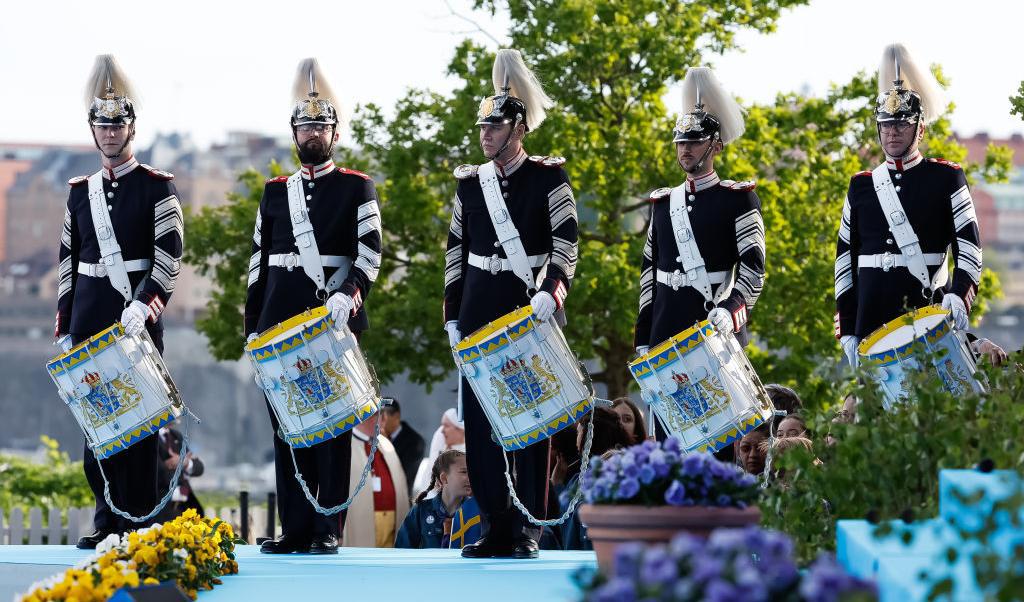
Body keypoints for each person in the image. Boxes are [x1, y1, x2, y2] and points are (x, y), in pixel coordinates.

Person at [443, 49, 579, 559]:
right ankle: (495, 526)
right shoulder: (469, 182)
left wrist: (552, 289)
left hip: (527, 314)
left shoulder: (549, 178)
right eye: (482, 128)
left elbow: (566, 242)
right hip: (478, 310)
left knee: (530, 426)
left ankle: (527, 526)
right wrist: (453, 315)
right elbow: (456, 252)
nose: (485, 136)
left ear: (518, 128)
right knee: (480, 428)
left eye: (495, 128)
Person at [244, 58, 383, 555]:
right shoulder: (275, 191)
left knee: (329, 430)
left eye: (320, 125)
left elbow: (370, 253)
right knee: (287, 430)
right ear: (294, 132)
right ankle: (296, 528)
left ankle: (327, 527)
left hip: (332, 321)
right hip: (279, 322)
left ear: (335, 131)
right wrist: (252, 328)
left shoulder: (356, 186)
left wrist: (349, 294)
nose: (312, 133)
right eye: (304, 126)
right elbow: (258, 264)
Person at [56, 56, 183, 549]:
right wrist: (64, 325)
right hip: (89, 320)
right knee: (98, 429)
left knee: (139, 427)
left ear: (132, 128)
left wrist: (147, 302)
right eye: (102, 125)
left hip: (134, 323)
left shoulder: (157, 185)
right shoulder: (79, 191)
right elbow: (68, 261)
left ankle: (137, 520)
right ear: (94, 131)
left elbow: (170, 252)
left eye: (117, 125)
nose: (109, 133)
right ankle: (107, 517)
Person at [835, 43, 982, 367]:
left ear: (920, 127)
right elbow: (845, 259)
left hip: (927, 311)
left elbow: (969, 246)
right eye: (886, 125)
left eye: (901, 124)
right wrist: (847, 325)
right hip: (870, 320)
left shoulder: (947, 177)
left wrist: (959, 293)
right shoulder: (861, 184)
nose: (892, 132)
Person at [634, 66, 765, 358]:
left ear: (715, 146)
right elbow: (648, 273)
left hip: (714, 328)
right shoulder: (664, 203)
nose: (685, 149)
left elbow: (753, 270)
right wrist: (643, 334)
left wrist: (731, 310)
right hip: (663, 334)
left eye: (694, 142)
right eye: (681, 142)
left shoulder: (739, 200)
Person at [561, 407, 632, 550]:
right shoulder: (626, 469)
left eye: (579, 431)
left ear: (588, 436)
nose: (577, 438)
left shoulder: (583, 480)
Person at [343, 412, 410, 548]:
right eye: (377, 414)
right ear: (361, 417)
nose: (384, 418)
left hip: (392, 524)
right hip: (360, 524)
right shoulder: (344, 445)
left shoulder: (386, 444)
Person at [395, 450, 480, 549]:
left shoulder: (477, 513)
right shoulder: (420, 511)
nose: (471, 477)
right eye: (464, 472)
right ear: (444, 478)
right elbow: (402, 550)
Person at [411, 408, 466, 500]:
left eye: (446, 426)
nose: (442, 431)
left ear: (460, 429)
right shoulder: (440, 442)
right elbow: (430, 479)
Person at [156, 425, 205, 523]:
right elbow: (159, 473)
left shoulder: (176, 436)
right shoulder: (148, 438)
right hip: (160, 511)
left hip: (184, 508)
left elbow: (199, 467)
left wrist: (185, 463)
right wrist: (179, 464)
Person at [380, 398, 426, 499]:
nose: (378, 421)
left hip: (400, 499)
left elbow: (403, 475)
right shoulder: (374, 437)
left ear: (396, 416)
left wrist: (384, 444)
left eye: (382, 417)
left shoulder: (415, 442)